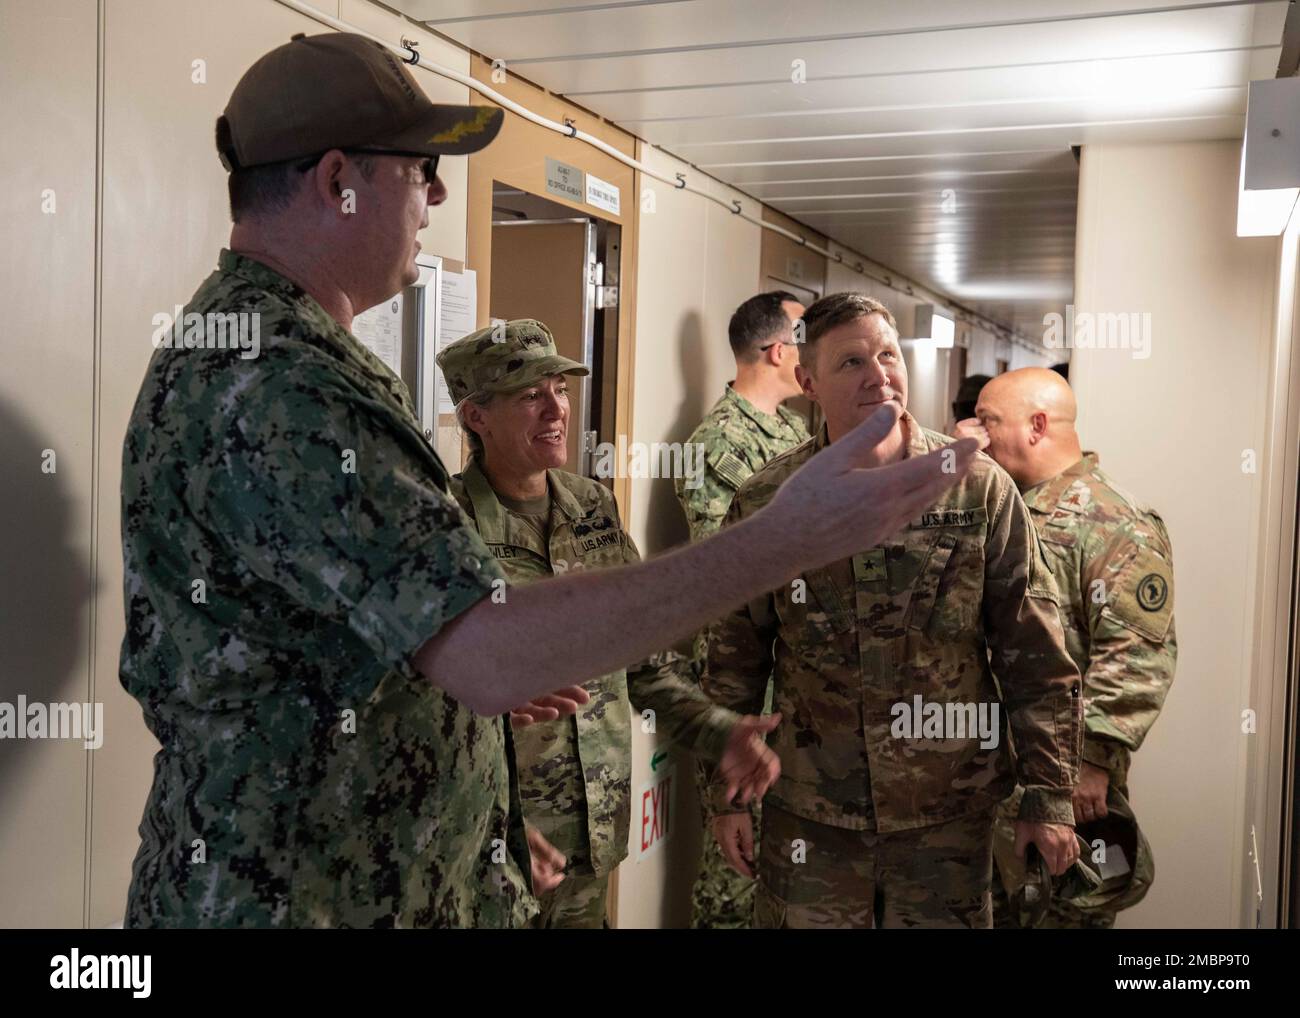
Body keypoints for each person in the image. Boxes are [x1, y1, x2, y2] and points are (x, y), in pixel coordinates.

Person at [118, 33, 979, 928]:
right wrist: (788, 538)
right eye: (420, 169)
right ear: (339, 179)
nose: (437, 194)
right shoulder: (279, 381)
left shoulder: (270, 351)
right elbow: (487, 654)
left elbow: (378, 650)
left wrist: (473, 802)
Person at [704, 293, 1083, 929]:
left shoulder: (974, 487)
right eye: (852, 362)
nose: (880, 375)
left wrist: (1049, 796)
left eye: (888, 354)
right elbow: (734, 662)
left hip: (948, 816)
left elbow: (1035, 655)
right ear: (807, 381)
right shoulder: (769, 501)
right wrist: (727, 798)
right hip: (814, 817)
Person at [438, 318, 782, 928]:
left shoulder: (591, 506)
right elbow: (428, 696)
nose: (556, 410)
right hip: (490, 843)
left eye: (561, 391)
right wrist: (490, 823)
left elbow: (641, 656)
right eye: (530, 396)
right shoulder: (446, 525)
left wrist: (718, 731)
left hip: (594, 828)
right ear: (476, 417)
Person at [955, 367, 1176, 928]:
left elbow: (1137, 656)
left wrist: (1093, 759)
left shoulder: (1115, 520)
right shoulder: (999, 507)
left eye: (986, 421)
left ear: (1036, 425)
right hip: (988, 784)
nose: (971, 431)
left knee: (1061, 915)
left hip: (1062, 786)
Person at [674, 291, 810, 928]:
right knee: (735, 878)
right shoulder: (718, 442)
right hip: (742, 685)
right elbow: (726, 576)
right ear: (780, 350)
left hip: (795, 681)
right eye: (807, 339)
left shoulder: (791, 431)